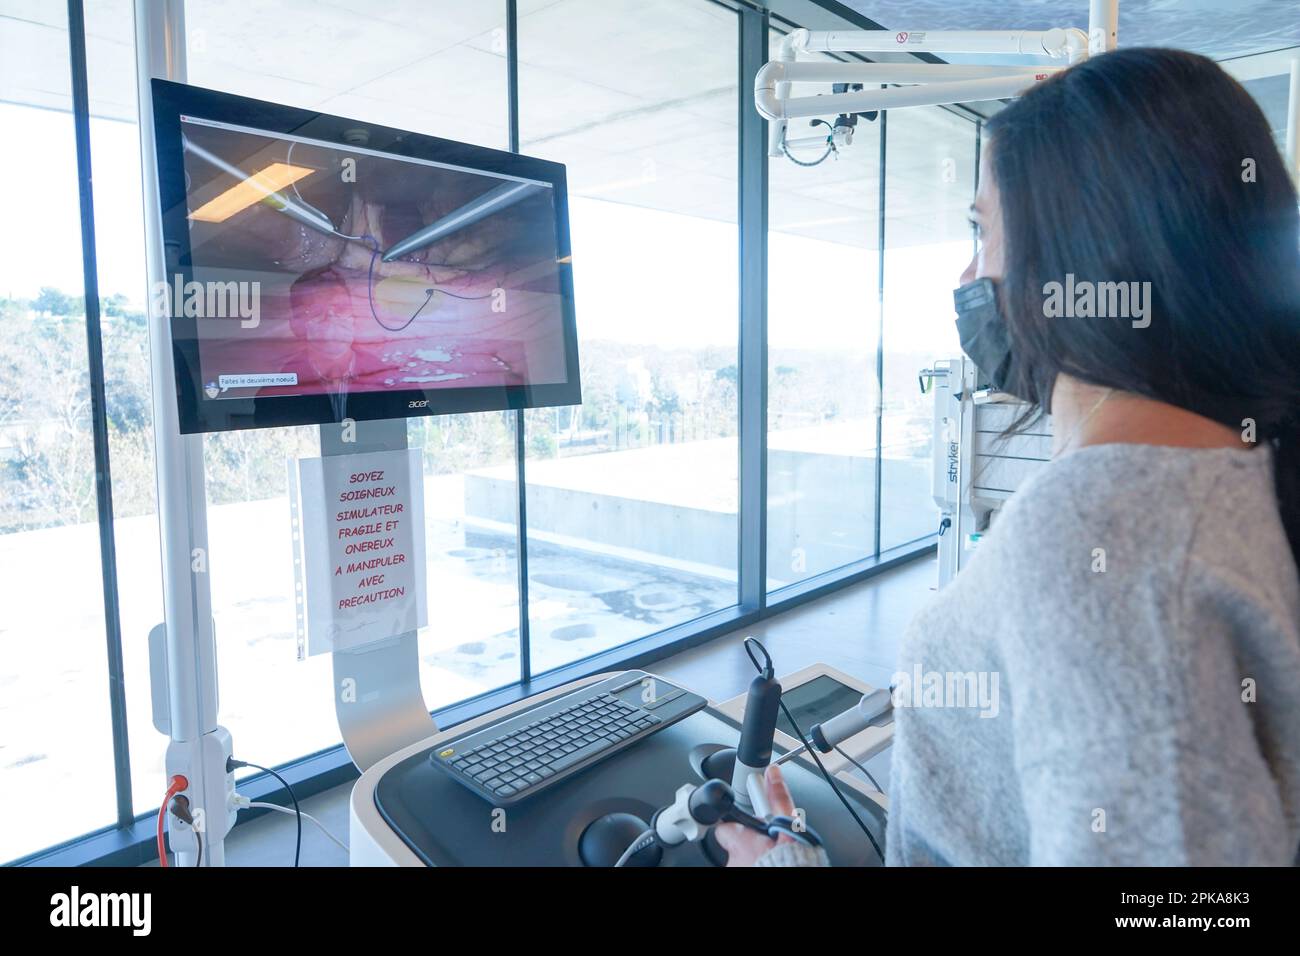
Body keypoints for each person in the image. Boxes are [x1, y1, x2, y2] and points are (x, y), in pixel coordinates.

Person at [716, 47, 1300, 867]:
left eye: (980, 229)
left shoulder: (1101, 533)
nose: (967, 273)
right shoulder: (1237, 467)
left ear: (1081, 248)